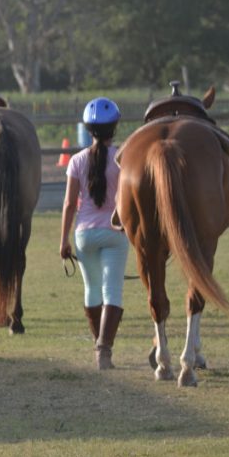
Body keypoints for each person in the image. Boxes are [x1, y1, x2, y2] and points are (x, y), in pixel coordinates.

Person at [60, 97, 129, 370]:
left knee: (92, 289)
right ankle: (104, 350)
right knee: (112, 290)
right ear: (115, 127)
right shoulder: (122, 158)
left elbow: (69, 203)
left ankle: (98, 344)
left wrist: (63, 240)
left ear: (88, 129)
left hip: (84, 235)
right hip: (114, 232)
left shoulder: (76, 160)